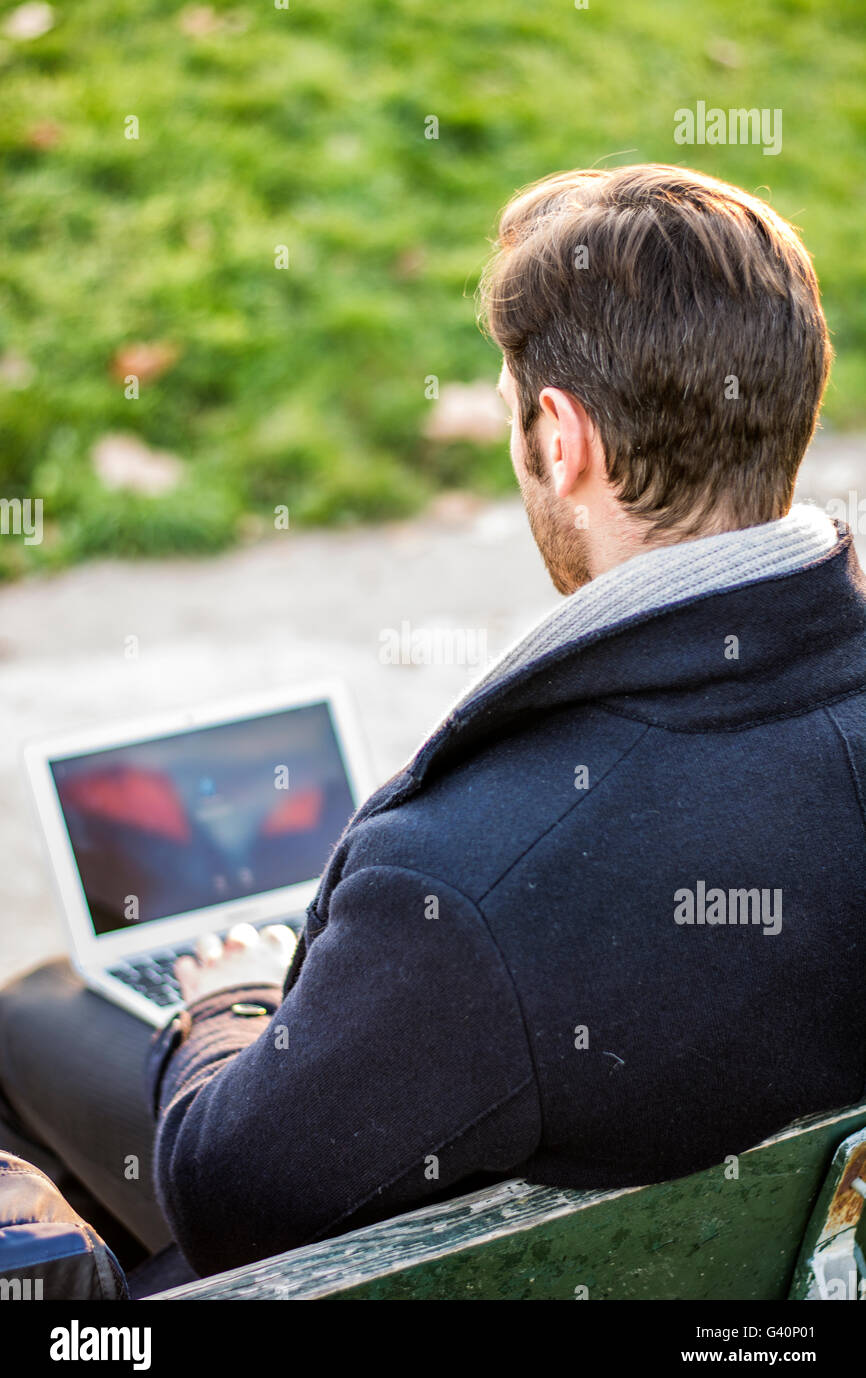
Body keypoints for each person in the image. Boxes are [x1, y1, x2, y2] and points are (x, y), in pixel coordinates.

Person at [2, 163, 865, 1285]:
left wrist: (227, 1004)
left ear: (561, 440)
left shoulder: (474, 879)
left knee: (29, 1019)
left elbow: (229, 1202)